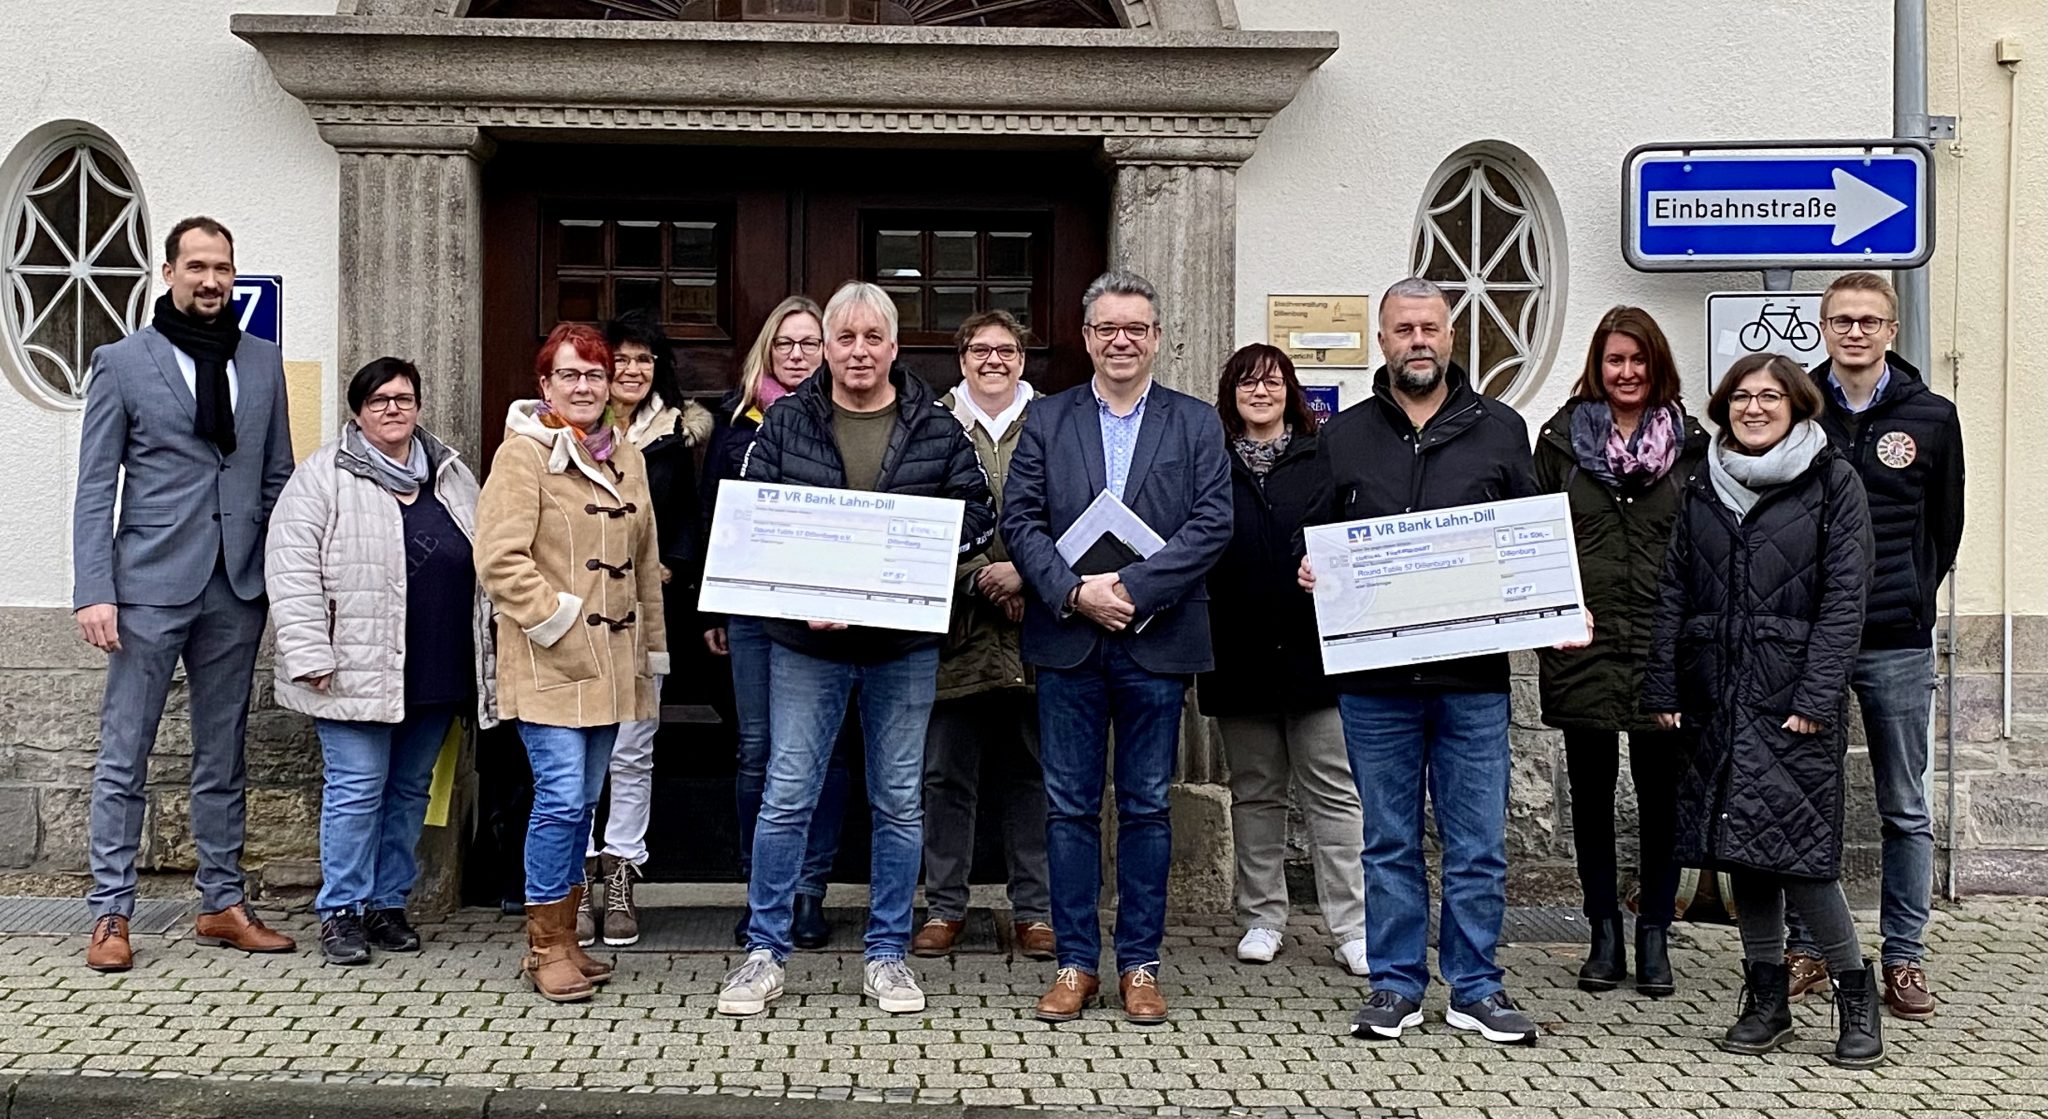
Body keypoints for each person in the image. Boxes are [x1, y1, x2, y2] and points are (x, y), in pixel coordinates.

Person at [715, 281, 995, 1018]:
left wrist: (906, 572)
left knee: (899, 801)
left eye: (875, 337)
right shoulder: (785, 422)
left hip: (901, 645)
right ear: (828, 346)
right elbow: (754, 523)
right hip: (803, 644)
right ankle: (765, 951)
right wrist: (806, 593)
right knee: (786, 794)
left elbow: (976, 519)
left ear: (895, 347)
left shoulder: (935, 429)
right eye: (847, 337)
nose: (860, 350)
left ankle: (888, 955)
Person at [1297, 278, 1541, 1045]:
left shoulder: (1501, 429)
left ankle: (1475, 985)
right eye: (1403, 329)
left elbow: (1529, 537)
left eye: (1430, 326)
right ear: (1383, 339)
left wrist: (1553, 598)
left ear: (1451, 333)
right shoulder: (1344, 435)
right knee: (1388, 841)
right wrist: (1314, 572)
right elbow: (1316, 537)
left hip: (1472, 681)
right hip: (1375, 685)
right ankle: (1396, 983)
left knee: (1478, 843)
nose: (1418, 340)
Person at [1002, 270, 1232, 1026]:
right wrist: (1075, 592)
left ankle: (1139, 964)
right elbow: (1023, 520)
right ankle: (1075, 964)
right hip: (1069, 640)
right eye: (1107, 328)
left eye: (1135, 327)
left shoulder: (1197, 423)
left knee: (1144, 807)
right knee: (1068, 806)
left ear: (1157, 336)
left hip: (1156, 642)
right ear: (1087, 336)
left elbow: (1212, 524)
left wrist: (1131, 587)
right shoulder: (1049, 419)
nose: (1122, 340)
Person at [71, 216, 297, 971]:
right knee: (125, 751)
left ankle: (221, 902)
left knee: (222, 752)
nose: (211, 280)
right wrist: (93, 589)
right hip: (145, 587)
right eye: (196, 266)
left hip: (235, 586)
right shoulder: (123, 362)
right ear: (167, 271)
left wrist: (274, 577)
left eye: (223, 268)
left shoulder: (263, 363)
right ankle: (110, 912)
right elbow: (96, 484)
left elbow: (276, 478)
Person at [1644, 352, 1882, 1069]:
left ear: (1797, 404)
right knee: (1742, 846)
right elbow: (1675, 588)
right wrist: (1664, 686)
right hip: (1717, 692)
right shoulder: (1702, 483)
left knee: (1803, 857)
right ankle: (1765, 994)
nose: (1753, 407)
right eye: (1742, 396)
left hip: (1791, 698)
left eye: (1769, 396)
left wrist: (1817, 694)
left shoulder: (1834, 481)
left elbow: (1846, 600)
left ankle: (1854, 991)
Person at [265, 358, 494, 966]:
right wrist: (309, 653)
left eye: (404, 398)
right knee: (356, 790)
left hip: (436, 668)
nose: (393, 408)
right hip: (351, 669)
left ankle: (387, 905)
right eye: (379, 400)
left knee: (410, 792)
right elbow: (291, 573)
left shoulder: (450, 475)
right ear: (358, 411)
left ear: (418, 406)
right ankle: (341, 910)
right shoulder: (323, 477)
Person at [1784, 271, 1963, 1021]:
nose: (1854, 331)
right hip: (1809, 639)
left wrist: (1915, 596)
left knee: (1905, 807)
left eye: (1869, 320)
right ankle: (1808, 950)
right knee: (1800, 801)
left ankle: (1905, 955)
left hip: (1895, 640)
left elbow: (1944, 524)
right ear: (1822, 328)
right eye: (1841, 320)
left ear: (1892, 330)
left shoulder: (1932, 416)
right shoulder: (1797, 410)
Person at [475, 323, 668, 1003]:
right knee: (559, 800)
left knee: (585, 799)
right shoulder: (520, 456)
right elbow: (499, 558)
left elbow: (644, 563)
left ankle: (569, 939)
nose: (584, 387)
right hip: (549, 659)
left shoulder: (629, 458)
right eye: (570, 375)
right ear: (545, 384)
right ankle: (544, 945)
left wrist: (651, 652)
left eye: (595, 374)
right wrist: (557, 619)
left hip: (614, 661)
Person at [1534, 308, 1707, 998]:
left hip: (1666, 648)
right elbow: (1535, 535)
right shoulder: (1559, 443)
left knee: (1664, 798)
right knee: (1592, 796)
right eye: (1614, 360)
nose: (1626, 372)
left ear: (1656, 364)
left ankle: (1655, 932)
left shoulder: (1693, 448)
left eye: (1638, 360)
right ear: (1596, 367)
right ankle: (1603, 930)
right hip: (1585, 643)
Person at [1197, 343, 1367, 976]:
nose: (1260, 393)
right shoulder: (1209, 460)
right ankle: (1261, 918)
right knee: (1256, 794)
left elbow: (1352, 532)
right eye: (1247, 383)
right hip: (1236, 648)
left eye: (1271, 382)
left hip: (1314, 651)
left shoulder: (1324, 456)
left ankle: (1351, 927)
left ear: (1290, 391)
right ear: (1231, 395)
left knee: (1334, 794)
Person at [701, 295, 851, 950]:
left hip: (830, 615)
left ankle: (810, 891)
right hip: (753, 613)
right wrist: (712, 608)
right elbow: (714, 521)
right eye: (785, 342)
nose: (796, 353)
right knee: (758, 750)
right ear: (768, 349)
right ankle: (763, 888)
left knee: (828, 751)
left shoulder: (852, 418)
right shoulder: (734, 428)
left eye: (809, 343)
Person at [912, 310, 1055, 963]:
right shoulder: (929, 423)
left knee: (1035, 773)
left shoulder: (1057, 421)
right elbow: (914, 516)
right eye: (979, 349)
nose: (993, 359)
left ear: (1022, 358)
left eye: (1006, 349)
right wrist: (976, 576)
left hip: (1042, 626)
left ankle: (1037, 909)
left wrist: (1028, 573)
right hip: (954, 630)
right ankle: (945, 906)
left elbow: (1079, 509)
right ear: (961, 357)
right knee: (945, 773)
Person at [574, 312, 714, 950]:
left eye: (644, 361)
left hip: (643, 611)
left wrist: (668, 566)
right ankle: (575, 879)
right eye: (621, 361)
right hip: (572, 613)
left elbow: (688, 518)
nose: (632, 372)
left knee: (633, 747)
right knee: (573, 755)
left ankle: (622, 871)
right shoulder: (562, 428)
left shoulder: (676, 436)